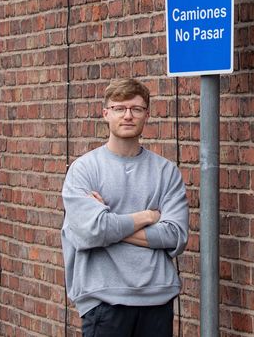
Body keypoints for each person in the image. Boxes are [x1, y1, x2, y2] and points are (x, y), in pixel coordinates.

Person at [62, 78, 189, 337]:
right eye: (119, 108)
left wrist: (109, 224)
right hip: (103, 301)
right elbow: (90, 232)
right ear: (106, 114)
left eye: (136, 109)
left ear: (147, 115)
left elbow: (175, 235)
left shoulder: (166, 172)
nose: (128, 115)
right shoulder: (84, 170)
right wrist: (147, 216)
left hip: (157, 298)